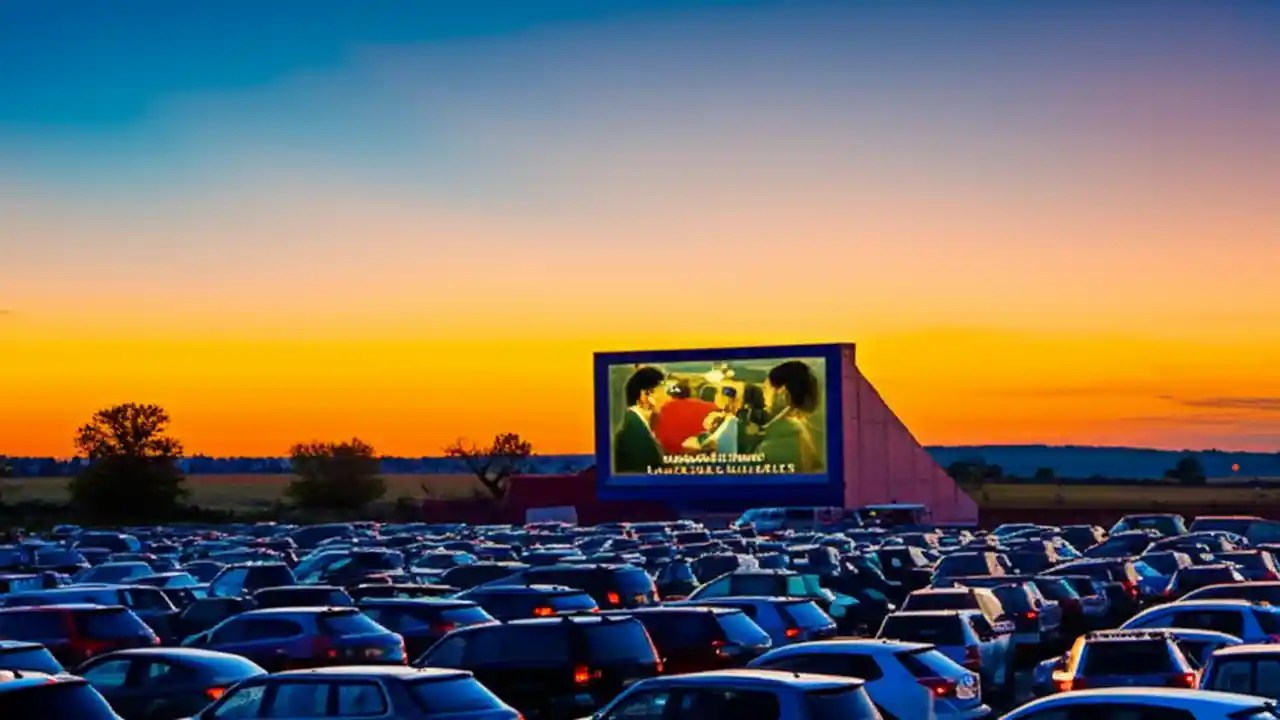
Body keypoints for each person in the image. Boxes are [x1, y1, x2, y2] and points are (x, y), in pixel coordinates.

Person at [757, 360, 822, 472]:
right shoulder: (810, 429)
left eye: (765, 389)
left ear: (782, 392)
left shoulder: (772, 446)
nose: (763, 395)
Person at [614, 366, 667, 473]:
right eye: (661, 391)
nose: (665, 397)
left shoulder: (638, 422)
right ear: (645, 395)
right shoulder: (632, 430)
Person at [654, 380, 719, 455]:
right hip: (703, 454)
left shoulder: (665, 408)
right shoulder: (710, 408)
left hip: (670, 454)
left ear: (672, 396)